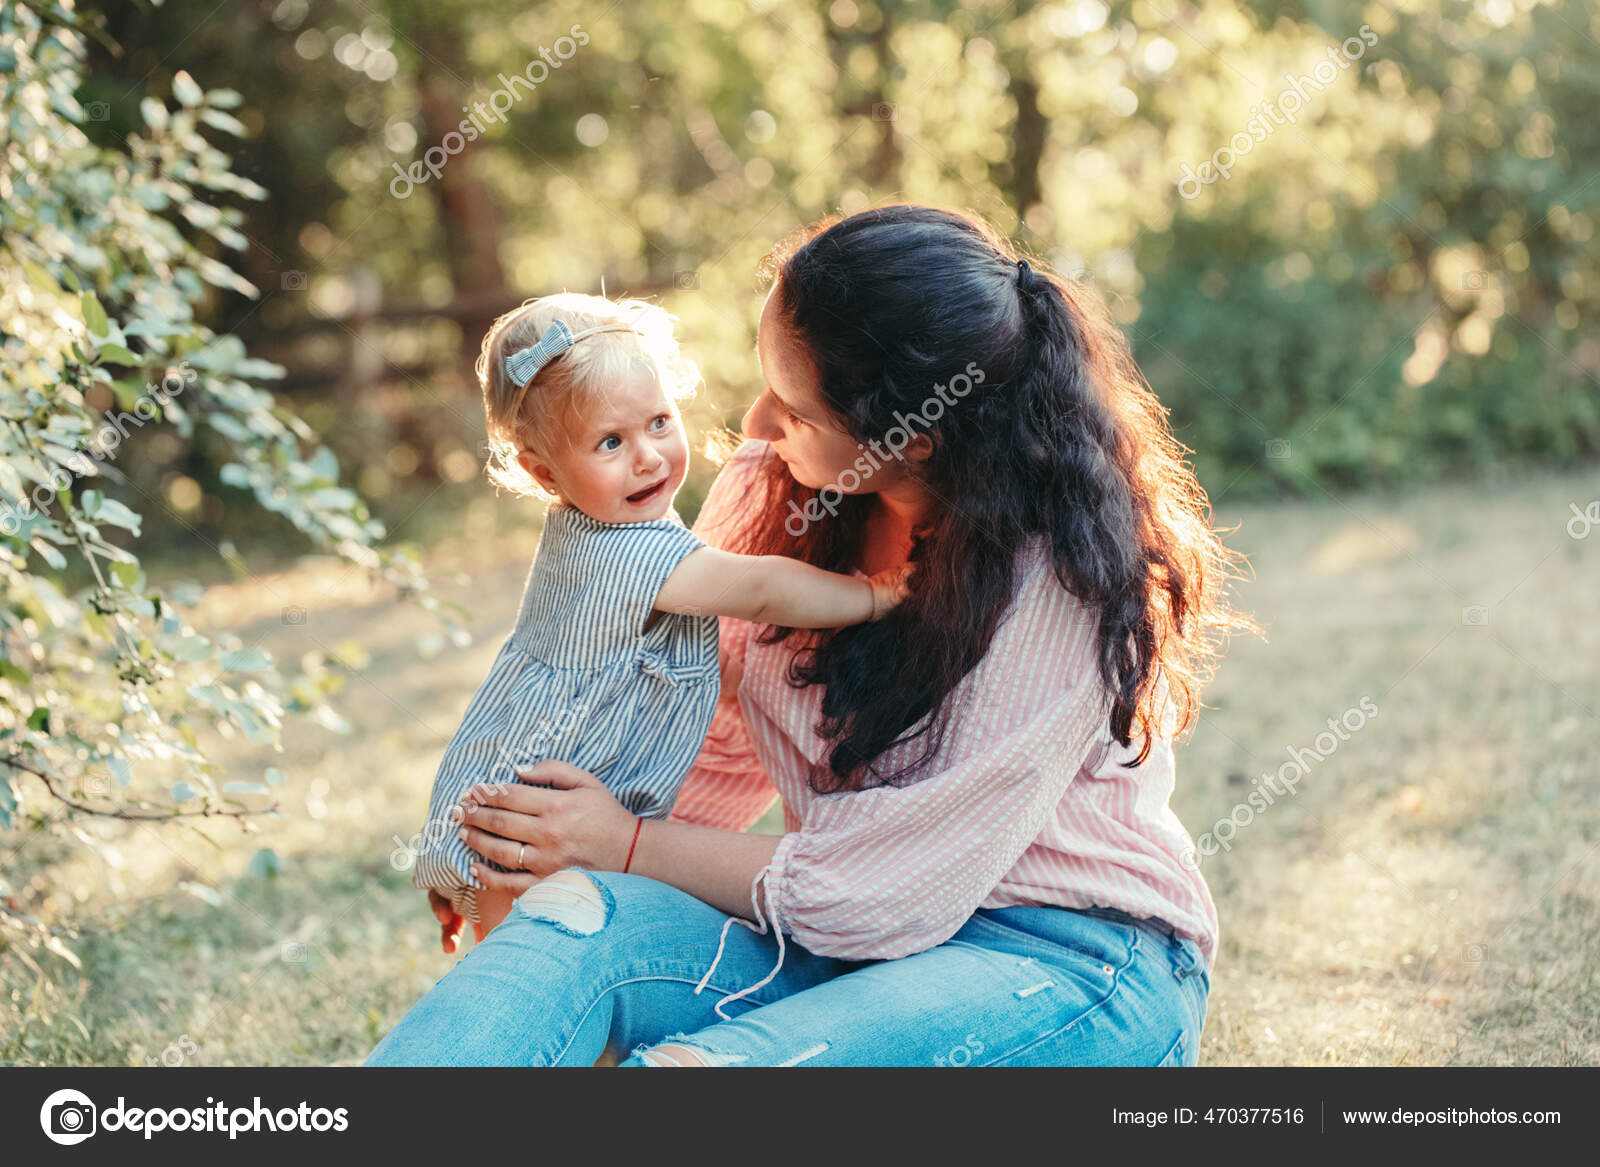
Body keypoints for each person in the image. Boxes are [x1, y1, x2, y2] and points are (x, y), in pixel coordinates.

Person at [367, 205, 1251, 1067]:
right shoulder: (774, 487)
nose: (751, 426)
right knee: (563, 922)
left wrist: (626, 846)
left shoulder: (1058, 577)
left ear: (915, 438)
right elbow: (709, 737)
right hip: (837, 944)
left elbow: (888, 890)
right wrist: (535, 860)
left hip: (1059, 960)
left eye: (793, 408)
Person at [411, 291, 912, 939]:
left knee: (533, 948)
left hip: (511, 771)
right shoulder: (631, 553)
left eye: (658, 422)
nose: (647, 455)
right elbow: (759, 590)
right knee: (544, 953)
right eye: (610, 442)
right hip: (543, 794)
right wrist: (871, 598)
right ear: (544, 473)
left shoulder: (585, 526)